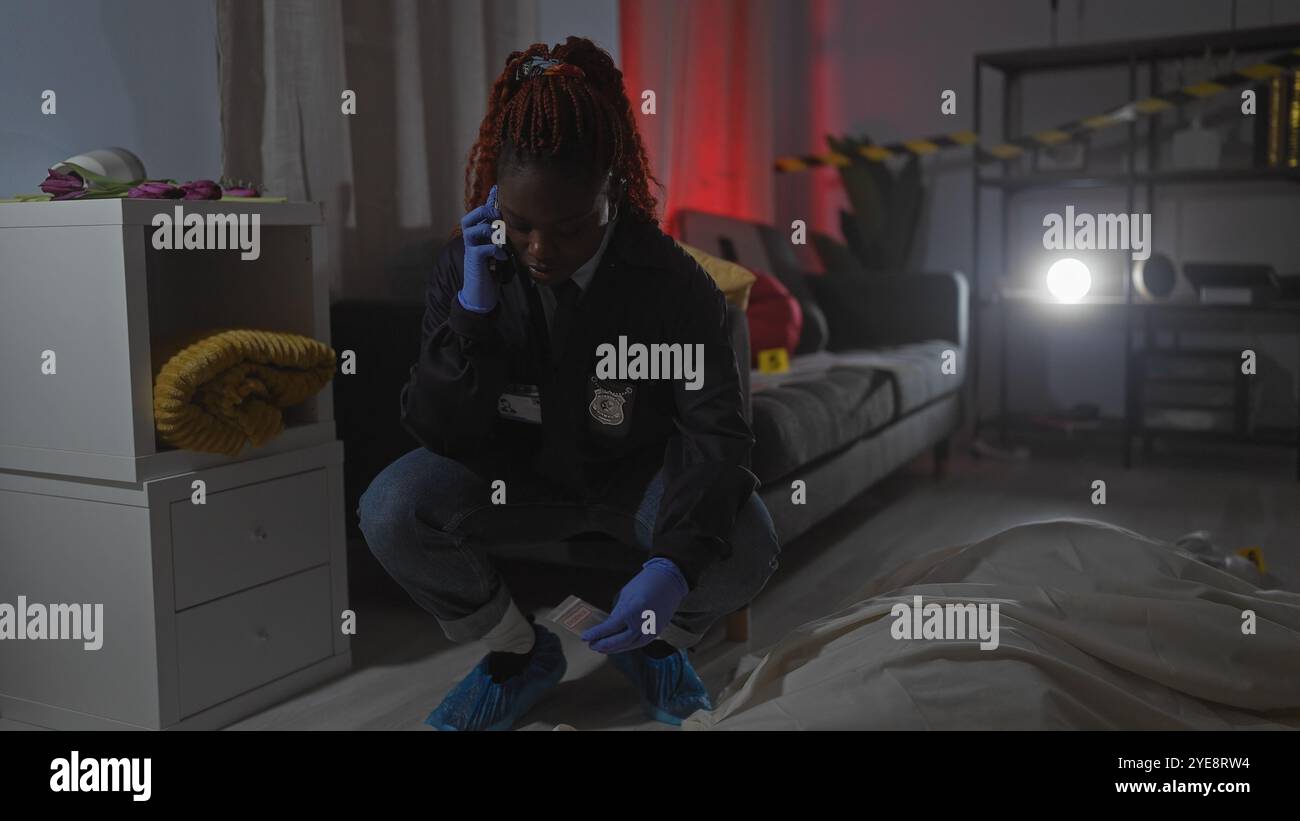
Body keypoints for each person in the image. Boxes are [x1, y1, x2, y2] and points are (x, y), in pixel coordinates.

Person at [358, 36, 781, 731]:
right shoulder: (466, 269)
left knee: (750, 539)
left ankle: (657, 648)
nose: (541, 250)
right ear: (495, 197)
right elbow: (437, 431)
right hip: (512, 477)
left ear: (611, 192)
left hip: (633, 477)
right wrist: (472, 315)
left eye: (570, 227)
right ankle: (517, 653)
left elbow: (718, 436)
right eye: (520, 224)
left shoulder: (673, 284)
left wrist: (673, 567)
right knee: (390, 506)